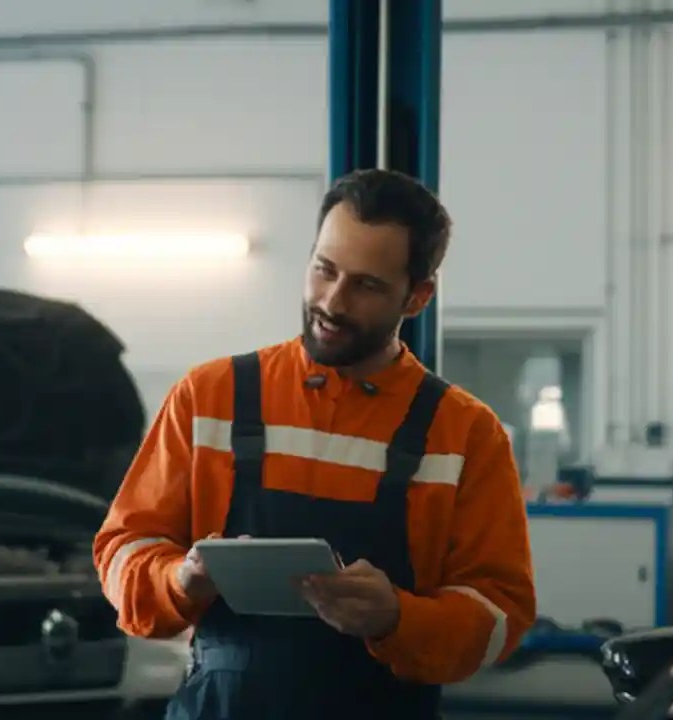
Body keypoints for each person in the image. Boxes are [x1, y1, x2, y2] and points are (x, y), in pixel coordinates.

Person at [94, 168, 536, 719]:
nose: (332, 301)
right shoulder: (210, 398)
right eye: (323, 269)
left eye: (366, 285)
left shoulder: (466, 435)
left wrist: (398, 618)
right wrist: (180, 579)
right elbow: (122, 551)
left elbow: (501, 618)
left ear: (417, 296)